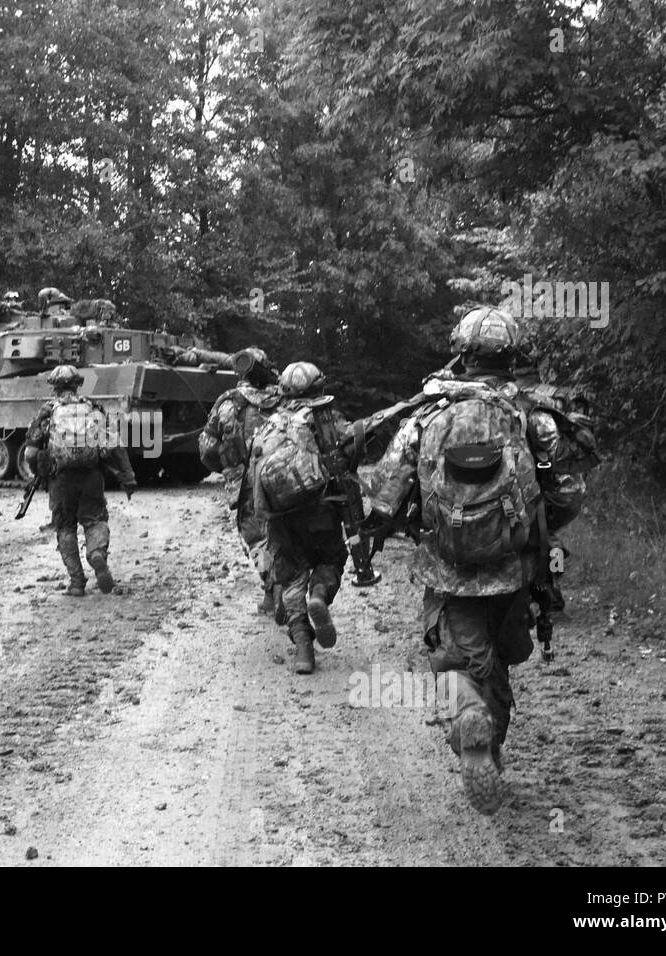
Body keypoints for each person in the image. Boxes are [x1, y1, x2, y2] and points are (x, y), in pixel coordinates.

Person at [366, 306, 587, 814]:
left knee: (452, 659)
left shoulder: (426, 415)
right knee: (502, 657)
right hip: (514, 571)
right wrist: (534, 527)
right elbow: (567, 492)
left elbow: (383, 492)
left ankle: (466, 709)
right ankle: (487, 732)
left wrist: (396, 525)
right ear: (512, 355)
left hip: (447, 570)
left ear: (461, 352)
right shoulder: (534, 419)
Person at [250, 361, 354, 675]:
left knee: (291, 578)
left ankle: (302, 646)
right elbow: (348, 458)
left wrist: (262, 515)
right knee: (331, 559)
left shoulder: (268, 424)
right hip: (320, 509)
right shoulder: (328, 420)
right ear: (319, 388)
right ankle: (320, 595)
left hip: (281, 517)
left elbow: (254, 471)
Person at [24, 365, 138, 596]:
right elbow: (114, 444)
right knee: (95, 520)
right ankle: (96, 553)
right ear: (78, 385)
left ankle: (77, 583)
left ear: (54, 387)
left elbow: (30, 453)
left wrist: (40, 472)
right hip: (91, 477)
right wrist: (128, 477)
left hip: (61, 480)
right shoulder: (94, 408)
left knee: (65, 527)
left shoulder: (47, 412)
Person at [199, 348, 282, 615]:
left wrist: (228, 468)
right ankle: (276, 593)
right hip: (284, 477)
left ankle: (273, 583)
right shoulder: (285, 399)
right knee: (283, 533)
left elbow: (207, 449)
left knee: (256, 539)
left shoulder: (229, 403)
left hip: (247, 482)